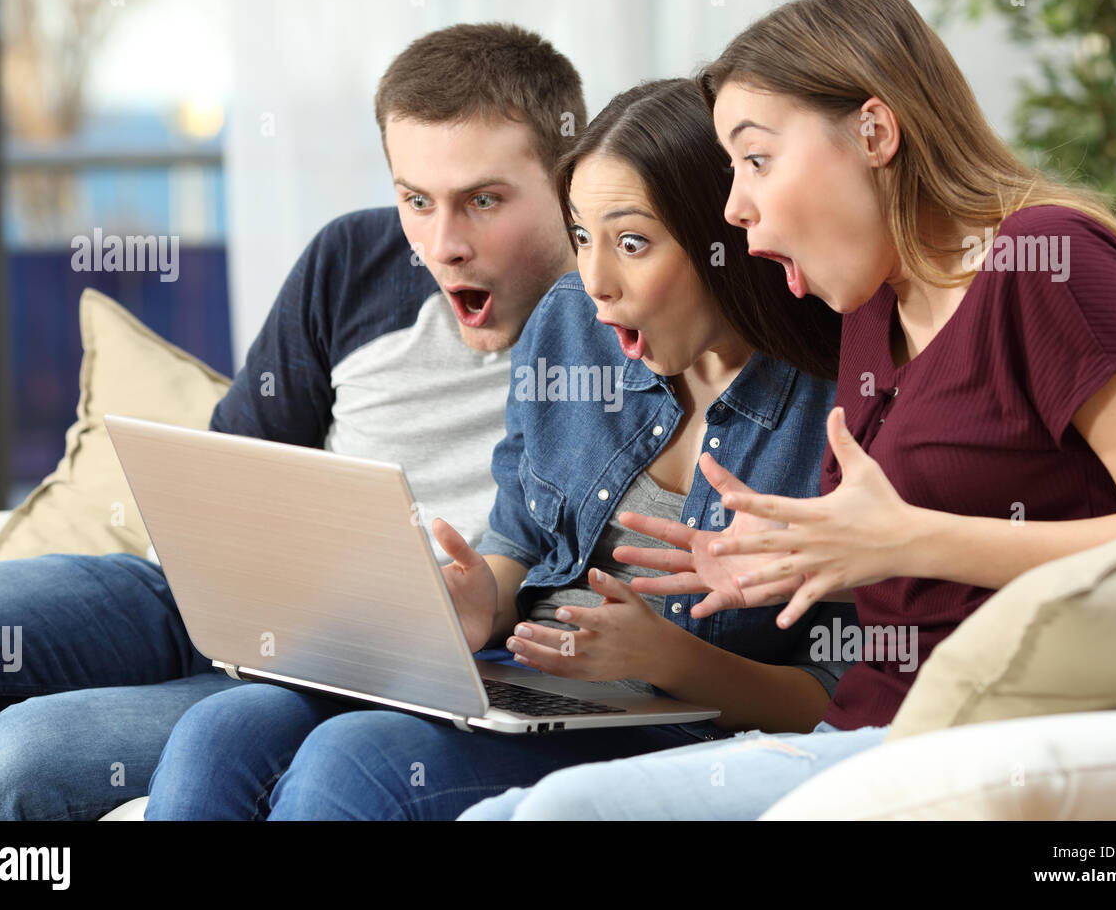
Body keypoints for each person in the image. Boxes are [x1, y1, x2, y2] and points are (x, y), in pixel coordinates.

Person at [458, 0, 1116, 820]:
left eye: (755, 160)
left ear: (874, 131)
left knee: (562, 814)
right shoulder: (869, 311)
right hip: (855, 734)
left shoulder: (1048, 261)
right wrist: (797, 557)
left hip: (976, 738)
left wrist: (909, 540)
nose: (736, 204)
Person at [143, 77, 857, 820]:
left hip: (682, 723)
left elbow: (840, 695)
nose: (596, 281)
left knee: (358, 762)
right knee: (221, 728)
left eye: (633, 242)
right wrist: (483, 597)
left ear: (729, 243)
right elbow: (519, 543)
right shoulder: (572, 327)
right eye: (581, 236)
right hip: (529, 677)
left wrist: (674, 661)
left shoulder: (838, 402)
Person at [0, 22, 583, 820]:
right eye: (416, 199)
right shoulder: (354, 262)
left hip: (385, 672)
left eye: (484, 201)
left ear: (566, 178)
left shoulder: (619, 330)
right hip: (214, 598)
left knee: (24, 760)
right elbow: (233, 464)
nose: (444, 245)